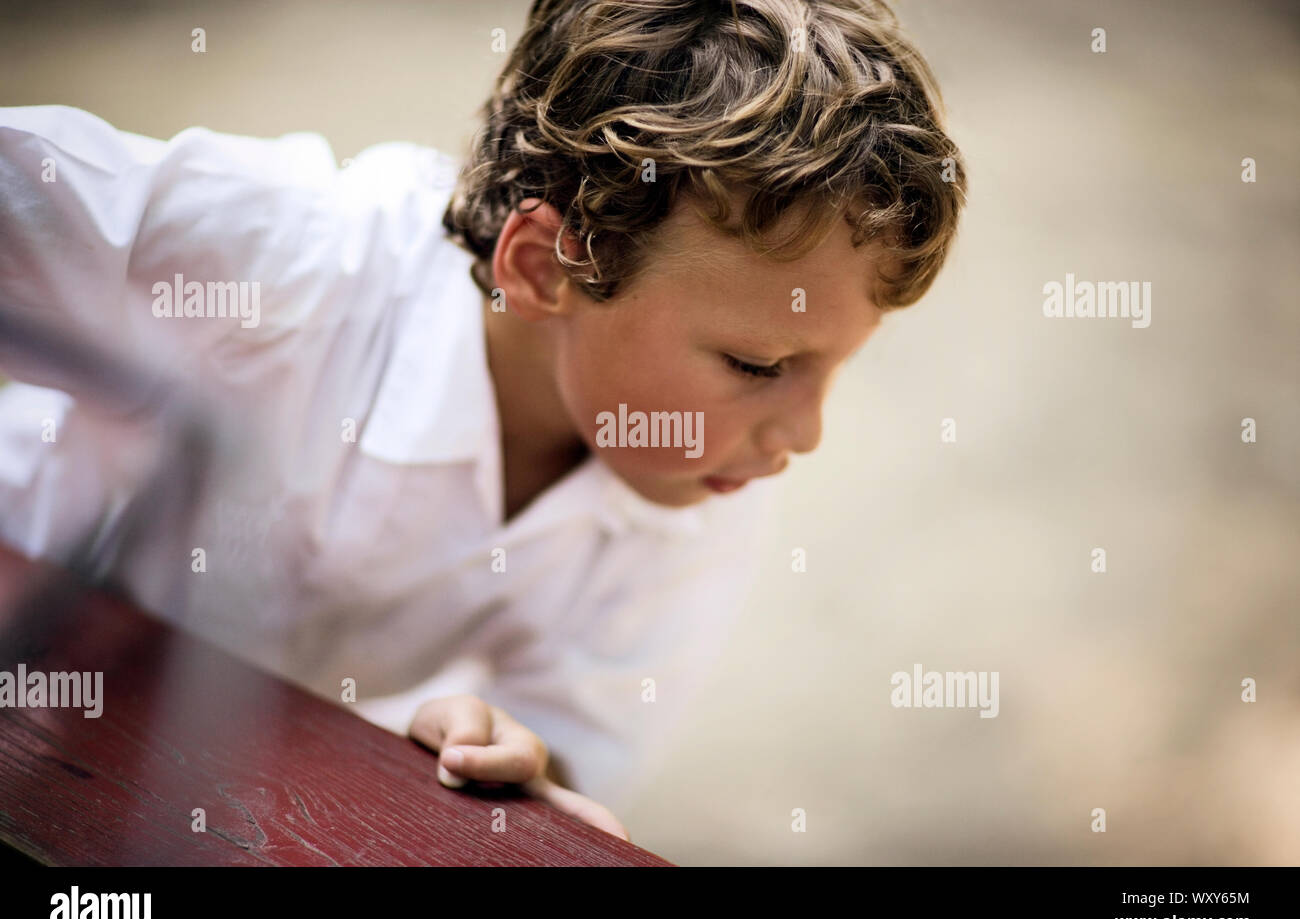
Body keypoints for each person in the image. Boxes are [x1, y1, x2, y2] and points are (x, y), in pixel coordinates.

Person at [0, 0, 965, 843]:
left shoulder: (693, 482)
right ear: (545, 266)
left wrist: (522, 754)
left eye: (831, 369)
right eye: (758, 365)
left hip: (184, 780)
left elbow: (570, 750)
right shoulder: (285, 259)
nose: (802, 436)